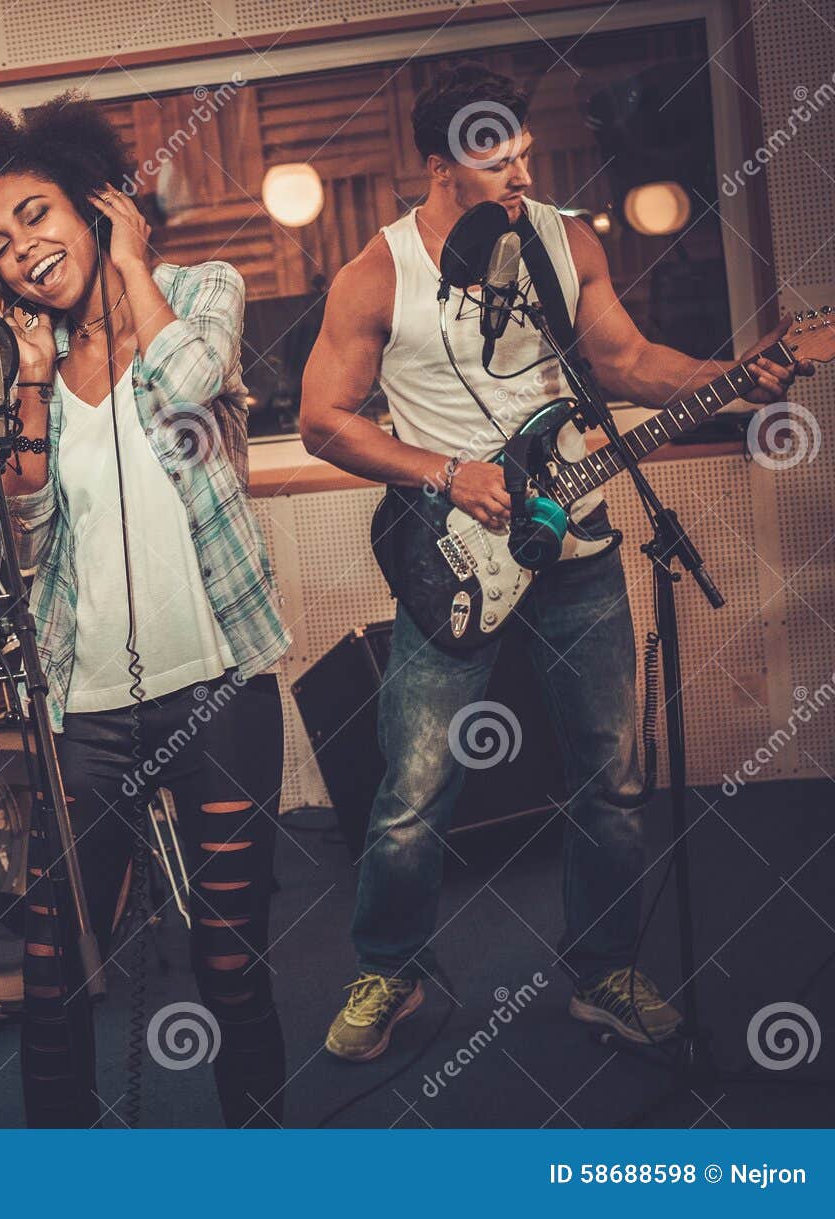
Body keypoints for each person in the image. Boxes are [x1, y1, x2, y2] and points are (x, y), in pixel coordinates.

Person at [299, 63, 810, 1062]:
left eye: (522, 147)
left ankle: (603, 970)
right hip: (455, 556)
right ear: (443, 161)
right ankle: (388, 970)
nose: (519, 167)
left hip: (574, 542)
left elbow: (623, 363)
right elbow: (322, 422)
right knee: (412, 788)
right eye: (495, 152)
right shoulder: (376, 273)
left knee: (611, 775)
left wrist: (736, 378)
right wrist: (445, 472)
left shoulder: (562, 239)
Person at [0, 94, 292, 1127]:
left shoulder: (201, 290)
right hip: (88, 712)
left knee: (228, 960)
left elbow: (194, 382)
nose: (22, 248)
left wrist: (130, 265)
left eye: (36, 215)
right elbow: (27, 529)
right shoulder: (26, 363)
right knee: (52, 974)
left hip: (217, 688)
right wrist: (28, 388)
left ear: (90, 203)